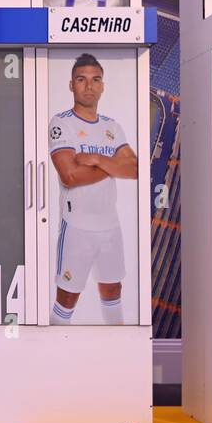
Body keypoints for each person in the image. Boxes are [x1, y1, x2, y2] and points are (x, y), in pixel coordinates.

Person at [47, 54, 137, 325]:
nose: (89, 86)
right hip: (76, 227)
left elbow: (134, 169)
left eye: (95, 79)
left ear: (103, 86)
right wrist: (113, 165)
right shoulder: (62, 123)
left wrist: (97, 159)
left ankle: (117, 347)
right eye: (81, 79)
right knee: (67, 297)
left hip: (111, 226)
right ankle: (55, 350)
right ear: (71, 85)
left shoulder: (112, 127)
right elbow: (70, 175)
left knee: (113, 289)